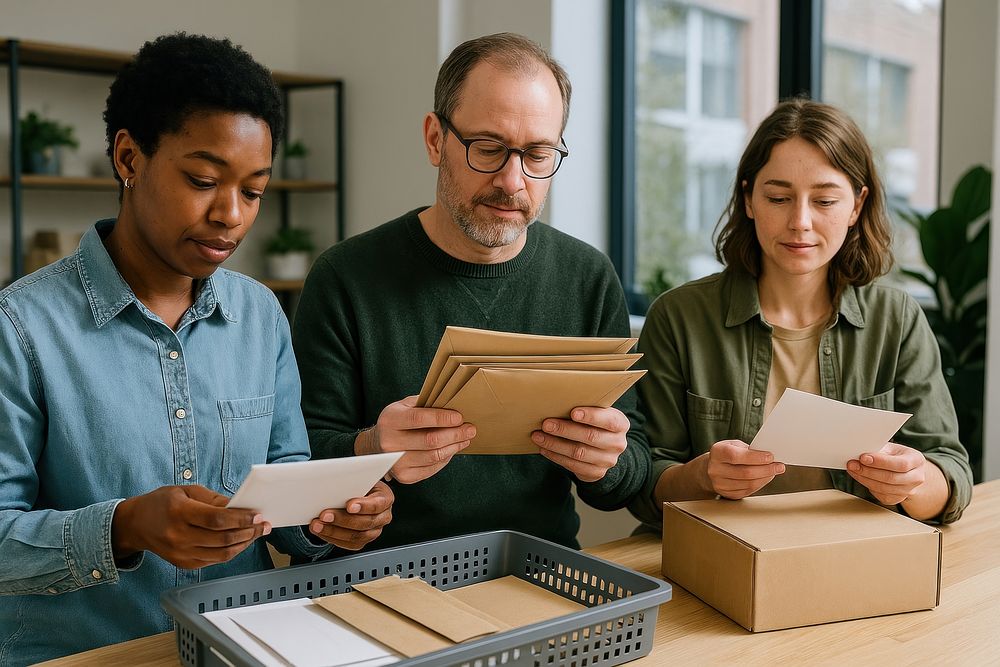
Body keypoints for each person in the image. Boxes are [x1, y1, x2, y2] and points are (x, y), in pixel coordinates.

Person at [0, 33, 393, 665]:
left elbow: (285, 482)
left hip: (250, 647)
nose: (230, 214)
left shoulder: (261, 314)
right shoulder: (21, 327)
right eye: (203, 180)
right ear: (128, 157)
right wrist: (123, 526)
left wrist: (330, 518)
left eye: (254, 191)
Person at [292, 32, 649, 551]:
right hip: (379, 580)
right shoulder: (346, 277)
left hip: (538, 572)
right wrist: (369, 448)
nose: (513, 179)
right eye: (488, 149)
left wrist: (607, 461)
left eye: (538, 154)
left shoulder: (588, 278)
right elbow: (299, 460)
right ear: (435, 139)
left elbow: (630, 464)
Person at [628, 98, 973, 529]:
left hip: (853, 557)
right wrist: (701, 477)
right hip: (717, 556)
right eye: (778, 197)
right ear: (748, 198)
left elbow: (951, 470)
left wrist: (912, 483)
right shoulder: (679, 318)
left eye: (825, 201)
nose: (800, 222)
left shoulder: (896, 319)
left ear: (856, 206)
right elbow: (644, 484)